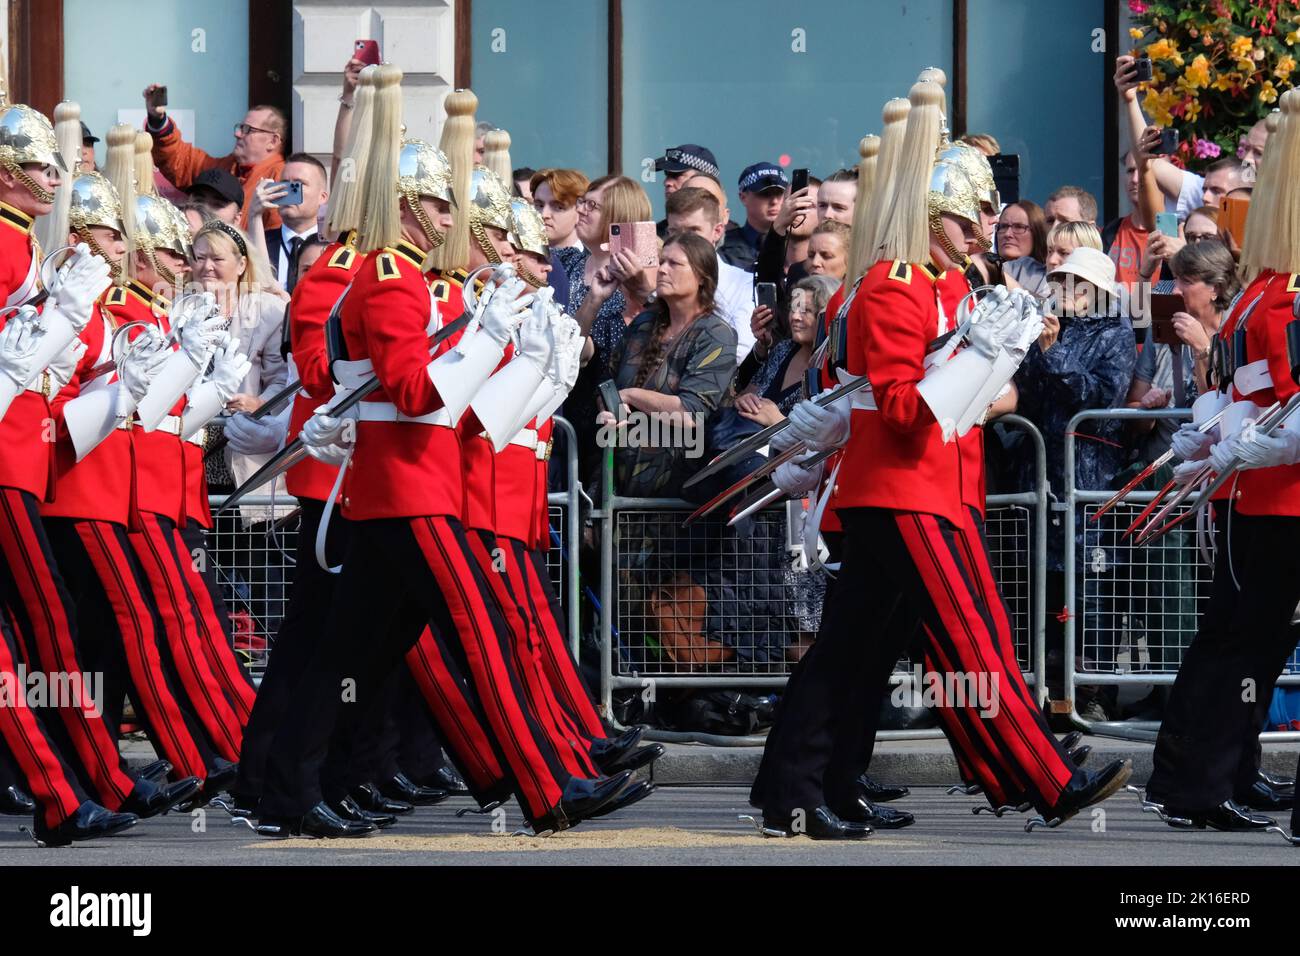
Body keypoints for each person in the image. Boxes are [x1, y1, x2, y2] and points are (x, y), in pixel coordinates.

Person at [258, 73, 637, 837]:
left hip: (409, 486)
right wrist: (491, 336)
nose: (447, 218)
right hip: (408, 488)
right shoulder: (393, 277)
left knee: (349, 658)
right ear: (403, 205)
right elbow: (411, 390)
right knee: (482, 633)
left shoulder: (413, 278)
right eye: (436, 204)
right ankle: (546, 789)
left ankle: (289, 792)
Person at [753, 80, 1130, 838]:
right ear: (932, 214)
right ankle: (1041, 778)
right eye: (972, 213)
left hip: (936, 486)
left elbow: (973, 395)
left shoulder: (951, 282)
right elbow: (899, 404)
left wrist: (994, 359)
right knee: (973, 636)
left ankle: (806, 784)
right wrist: (973, 358)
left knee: (853, 651)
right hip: (905, 490)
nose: (985, 226)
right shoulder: (896, 287)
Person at [1148, 89, 1300, 831]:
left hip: (1258, 493)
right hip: (1280, 495)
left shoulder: (1256, 296)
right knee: (1247, 652)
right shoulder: (1281, 295)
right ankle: (1206, 783)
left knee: (1242, 648)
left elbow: (1248, 393)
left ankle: (1215, 775)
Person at [0, 102, 147, 845]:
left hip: (17, 453)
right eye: (37, 165)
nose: (51, 178)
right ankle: (69, 784)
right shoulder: (4, 239)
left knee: (45, 632)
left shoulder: (19, 238)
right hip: (7, 455)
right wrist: (59, 319)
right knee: (47, 626)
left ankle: (84, 780)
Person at [597, 232, 737, 497]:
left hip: (677, 494)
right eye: (662, 262)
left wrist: (630, 396)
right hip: (620, 482)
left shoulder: (715, 333)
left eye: (675, 264)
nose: (661, 270)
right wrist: (609, 408)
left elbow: (690, 412)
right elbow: (606, 385)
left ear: (701, 279)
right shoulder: (643, 325)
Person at [565, 175, 654, 486]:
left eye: (593, 206)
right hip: (570, 408)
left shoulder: (647, 273)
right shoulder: (566, 264)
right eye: (582, 202)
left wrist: (641, 289)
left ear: (619, 217)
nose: (582, 210)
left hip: (621, 418)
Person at [142, 83, 287, 229]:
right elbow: (180, 161)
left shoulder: (281, 179)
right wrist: (158, 120)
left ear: (273, 141)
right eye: (240, 128)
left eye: (247, 129)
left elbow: (276, 242)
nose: (237, 134)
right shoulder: (226, 167)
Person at [664, 185, 756, 360]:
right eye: (674, 232)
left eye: (693, 231)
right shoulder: (659, 279)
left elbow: (738, 353)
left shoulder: (743, 285)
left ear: (717, 231)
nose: (682, 242)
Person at [248, 153, 329, 294]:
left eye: (299, 184)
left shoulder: (333, 247)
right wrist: (254, 215)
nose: (287, 191)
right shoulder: (259, 240)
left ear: (322, 197)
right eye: (284, 183)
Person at [720, 162, 787, 272]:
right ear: (743, 197)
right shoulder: (722, 245)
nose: (774, 201)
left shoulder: (795, 244)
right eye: (765, 194)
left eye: (779, 193)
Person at [652, 143, 720, 237]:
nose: (666, 182)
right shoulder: (654, 235)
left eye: (677, 175)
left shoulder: (730, 239)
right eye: (667, 175)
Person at [996, 199, 1048, 297]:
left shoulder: (1052, 280)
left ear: (1037, 233)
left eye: (1019, 227)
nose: (1007, 234)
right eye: (1003, 226)